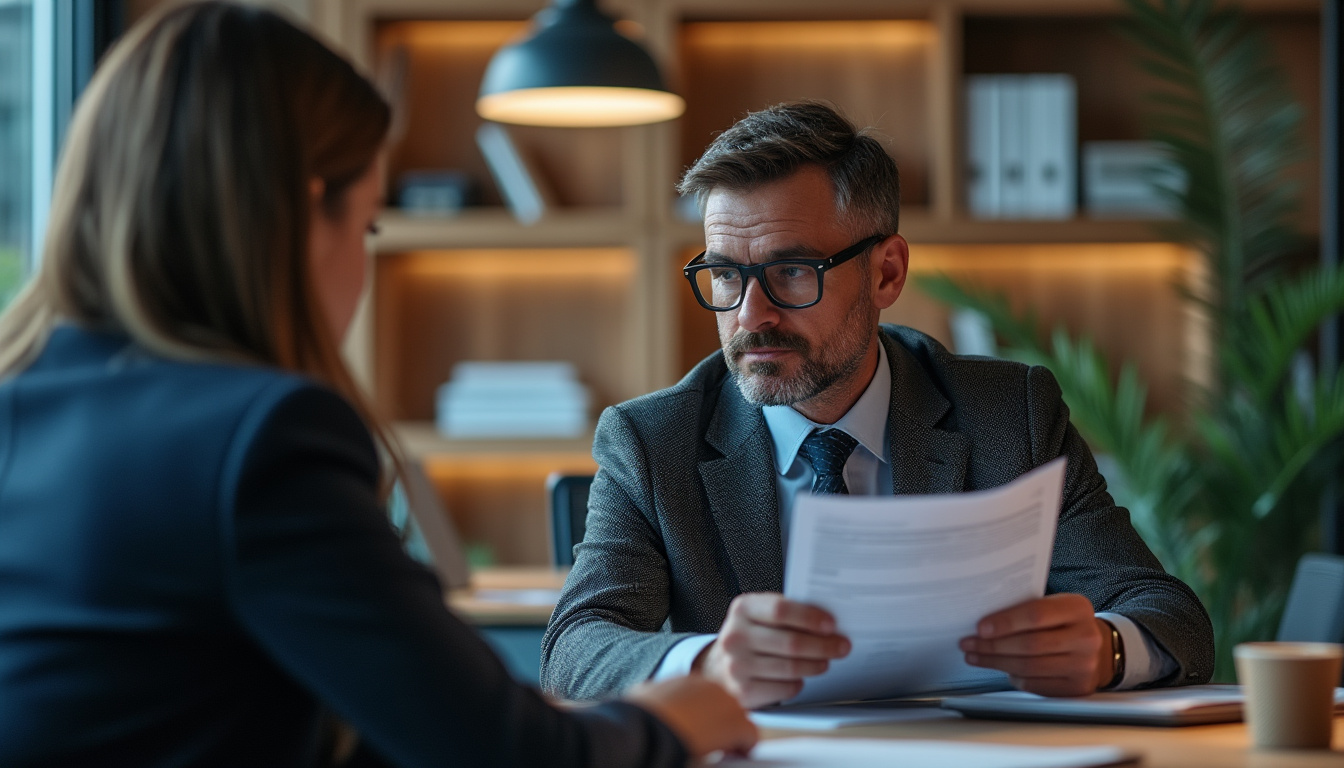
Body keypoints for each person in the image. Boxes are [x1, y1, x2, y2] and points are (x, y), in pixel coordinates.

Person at [0, 3, 756, 766]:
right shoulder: (259, 438)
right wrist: (674, 718)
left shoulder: (21, 401)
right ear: (301, 215)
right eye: (366, 227)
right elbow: (500, 754)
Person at [541, 101, 1215, 708]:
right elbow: (574, 647)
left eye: (792, 272)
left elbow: (1170, 615)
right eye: (725, 274)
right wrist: (710, 662)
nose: (750, 316)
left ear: (886, 272)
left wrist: (1106, 648)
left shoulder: (1012, 415)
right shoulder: (652, 441)